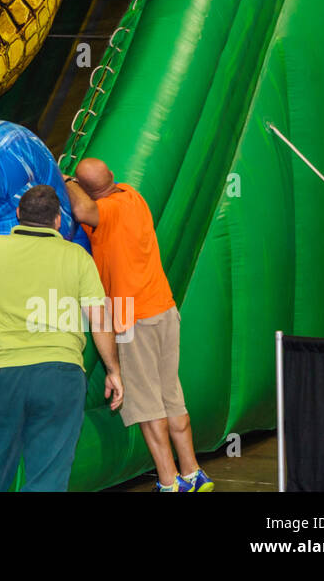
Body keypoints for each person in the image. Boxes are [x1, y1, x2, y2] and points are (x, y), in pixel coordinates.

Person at [0, 184, 123, 491]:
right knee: (48, 475)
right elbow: (100, 319)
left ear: (18, 215)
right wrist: (113, 370)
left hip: (3, 375)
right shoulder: (78, 257)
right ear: (58, 220)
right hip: (61, 374)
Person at [65, 157, 213, 492]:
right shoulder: (132, 195)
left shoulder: (106, 212)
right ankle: (193, 473)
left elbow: (82, 212)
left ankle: (168, 482)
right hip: (163, 309)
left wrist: (67, 181)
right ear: (113, 177)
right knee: (172, 396)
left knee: (147, 407)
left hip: (135, 318)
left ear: (87, 190)